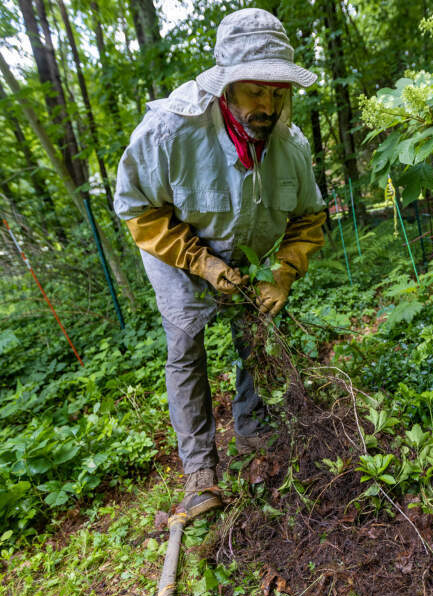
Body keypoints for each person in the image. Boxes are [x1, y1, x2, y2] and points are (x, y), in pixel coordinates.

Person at [113, 8, 326, 519]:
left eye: (278, 93)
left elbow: (310, 219)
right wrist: (202, 265)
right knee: (186, 343)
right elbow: (138, 210)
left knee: (254, 327)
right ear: (226, 87)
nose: (267, 105)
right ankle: (200, 472)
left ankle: (253, 431)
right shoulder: (169, 131)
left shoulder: (291, 148)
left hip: (246, 252)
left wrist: (282, 274)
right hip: (175, 249)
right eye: (256, 90)